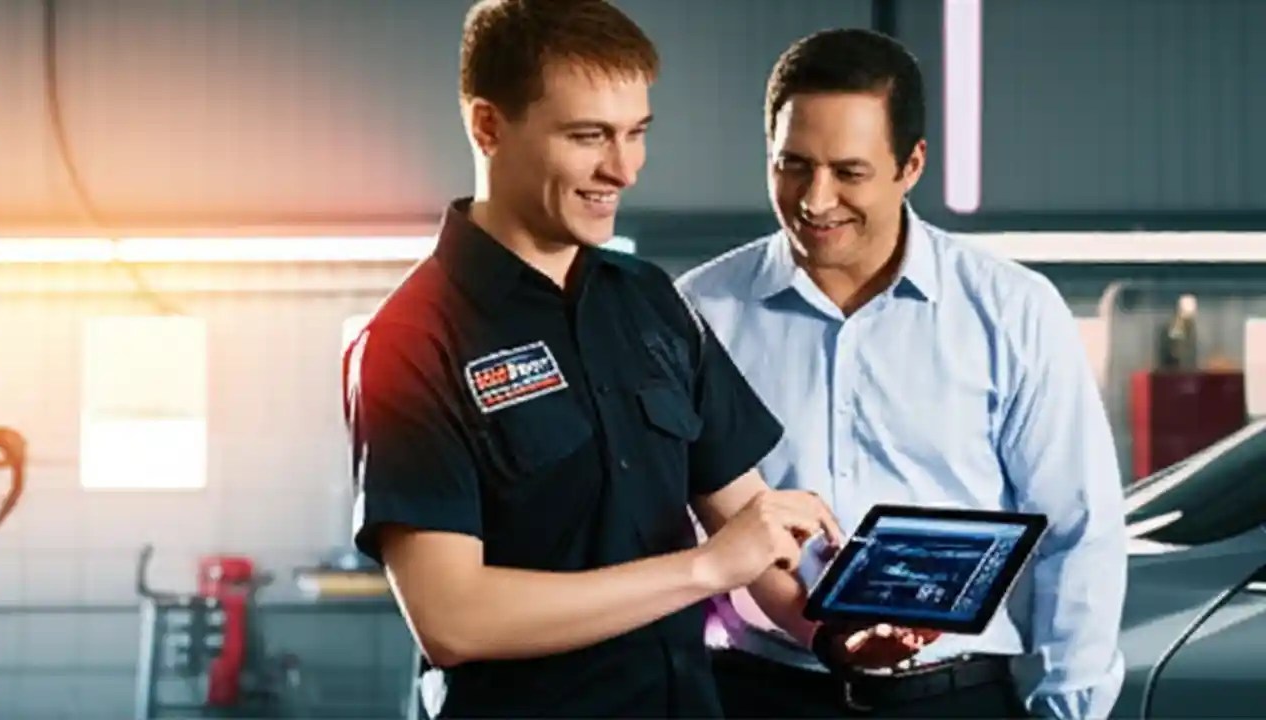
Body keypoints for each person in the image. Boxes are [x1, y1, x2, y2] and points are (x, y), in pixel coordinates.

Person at [342, 1, 841, 717]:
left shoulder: (651, 302)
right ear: (488, 126)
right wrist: (706, 567)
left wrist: (840, 635)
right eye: (589, 136)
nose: (624, 168)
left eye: (637, 133)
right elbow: (452, 618)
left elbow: (752, 526)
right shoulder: (410, 342)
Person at [677, 28, 1127, 719]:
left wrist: (1070, 709)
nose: (815, 199)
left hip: (953, 694)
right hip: (755, 692)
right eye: (792, 165)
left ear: (911, 165)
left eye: (848, 172)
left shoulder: (1010, 310)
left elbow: (1079, 530)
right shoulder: (700, 312)